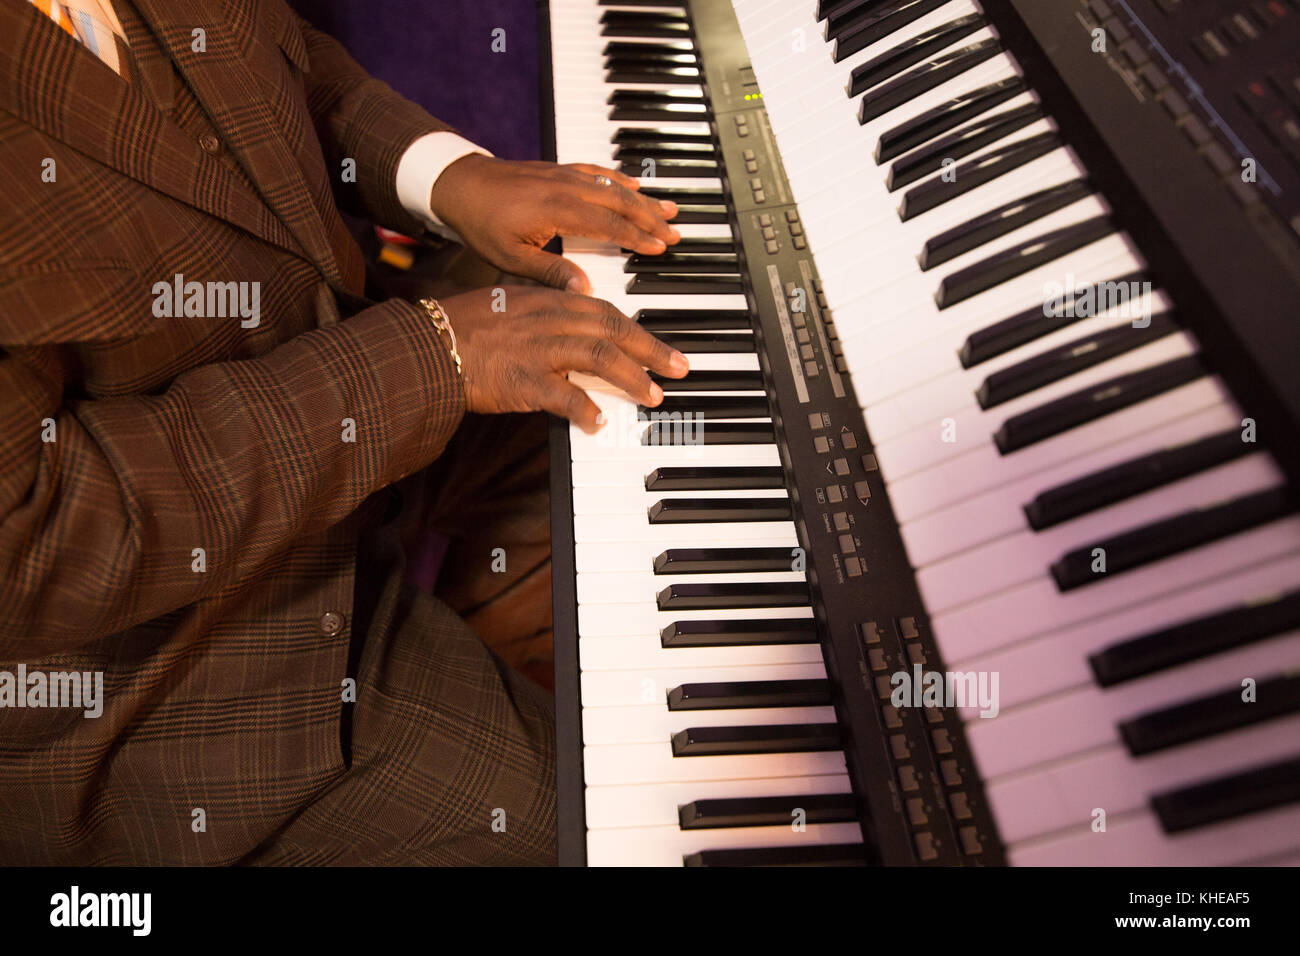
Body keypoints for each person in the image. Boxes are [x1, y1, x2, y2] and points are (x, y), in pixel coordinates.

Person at [0, 0, 687, 865]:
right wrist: (433, 359)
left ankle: (500, 618)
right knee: (608, 828)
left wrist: (448, 178)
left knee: (646, 361)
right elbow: (31, 535)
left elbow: (276, 61)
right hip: (167, 669)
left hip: (343, 375)